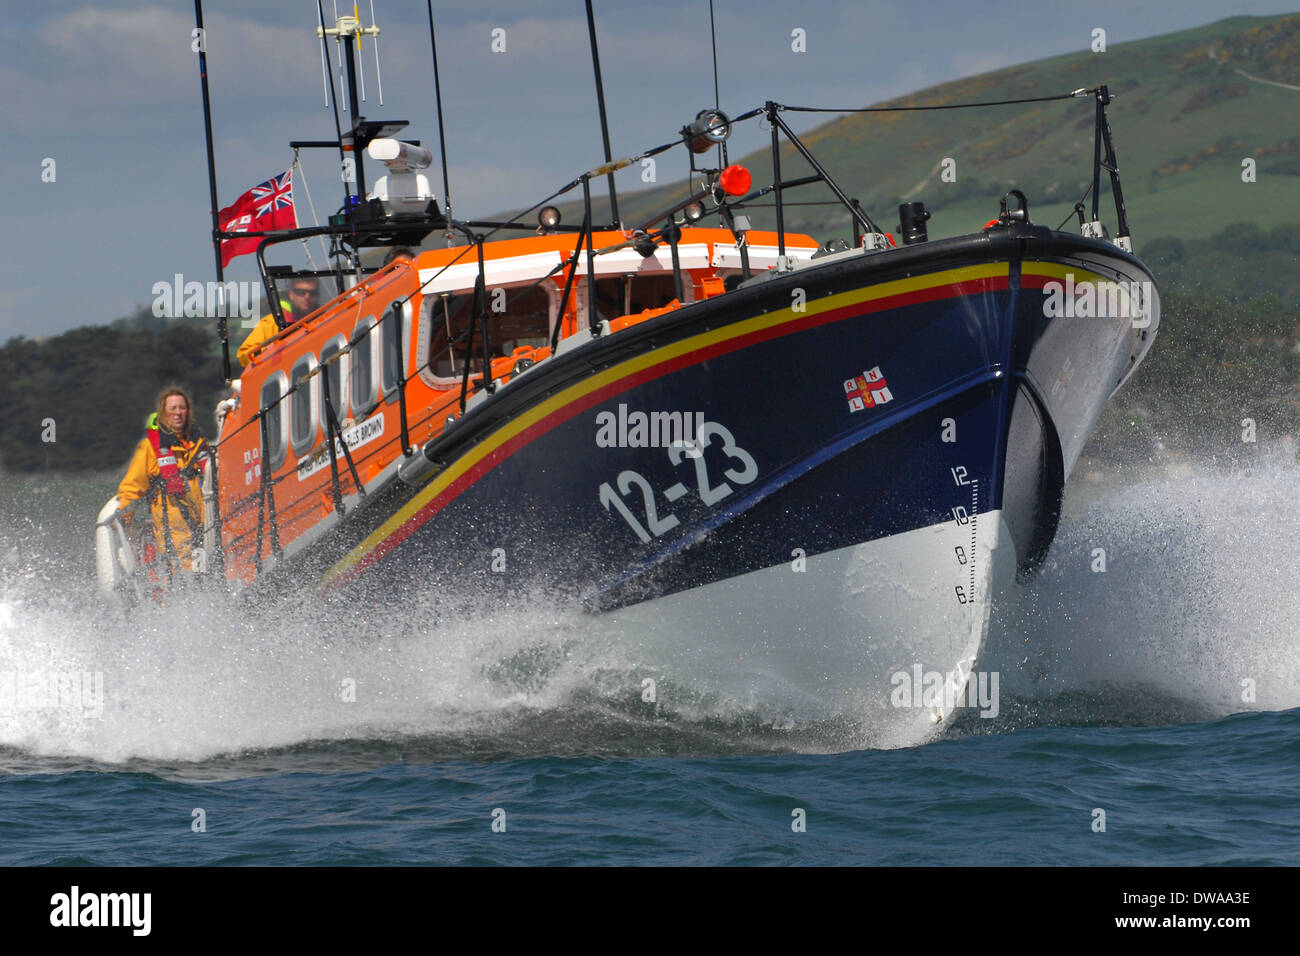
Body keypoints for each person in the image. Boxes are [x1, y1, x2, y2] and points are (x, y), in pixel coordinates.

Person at [117, 387, 211, 582]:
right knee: (184, 577)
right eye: (173, 408)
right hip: (174, 529)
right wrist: (125, 520)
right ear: (163, 413)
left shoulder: (199, 443)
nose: (178, 412)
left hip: (205, 524)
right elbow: (132, 486)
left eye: (182, 408)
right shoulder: (150, 448)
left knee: (207, 573)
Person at [237, 275, 321, 367]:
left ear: (318, 295)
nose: (307, 297)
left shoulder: (327, 317)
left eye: (312, 293)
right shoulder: (272, 322)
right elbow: (244, 355)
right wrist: (266, 351)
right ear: (291, 295)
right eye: (301, 292)